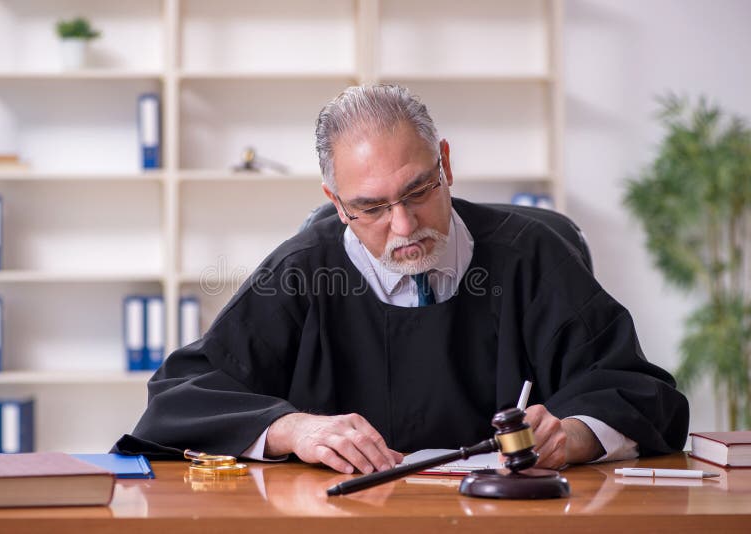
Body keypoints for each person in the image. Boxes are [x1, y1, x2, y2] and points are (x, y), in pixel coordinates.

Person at [113, 85, 688, 474]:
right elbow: (181, 395)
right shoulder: (301, 271)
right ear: (336, 204)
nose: (404, 226)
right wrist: (292, 429)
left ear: (445, 163)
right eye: (371, 207)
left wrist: (576, 435)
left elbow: (641, 390)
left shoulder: (531, 255)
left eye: (418, 191)